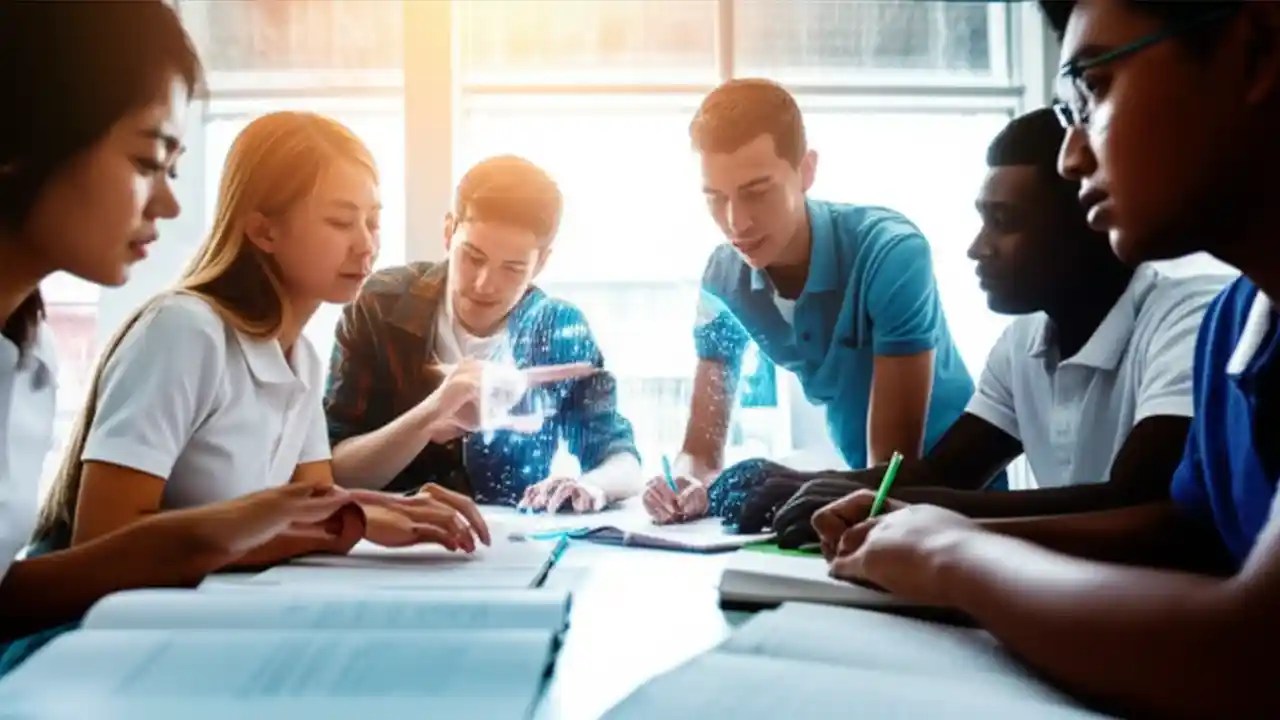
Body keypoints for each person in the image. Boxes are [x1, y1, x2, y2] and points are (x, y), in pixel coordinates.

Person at [812, 2, 1280, 716]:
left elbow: (1251, 651)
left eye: (1095, 89)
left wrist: (954, 556)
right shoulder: (1235, 325)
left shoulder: (1189, 317)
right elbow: (1179, 532)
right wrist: (937, 528)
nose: (1071, 155)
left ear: (1257, 49)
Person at [0, 1, 405, 672]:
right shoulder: (185, 328)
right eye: (144, 161)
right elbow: (101, 545)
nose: (169, 205)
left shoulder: (30, 350)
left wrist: (361, 517)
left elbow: (307, 507)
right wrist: (295, 527)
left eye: (373, 221)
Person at [746, 108, 1226, 544]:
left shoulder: (1187, 318)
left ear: (1088, 226)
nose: (978, 247)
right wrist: (809, 485)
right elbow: (948, 473)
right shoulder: (1022, 342)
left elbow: (1132, 499)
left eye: (1005, 222)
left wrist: (898, 508)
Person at [643, 79, 976, 524]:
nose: (735, 222)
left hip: (960, 502)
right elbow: (701, 452)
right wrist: (685, 483)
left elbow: (895, 469)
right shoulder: (723, 276)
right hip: (855, 500)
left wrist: (788, 483)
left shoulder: (892, 254)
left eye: (756, 192)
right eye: (716, 198)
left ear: (807, 170)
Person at [325, 155, 642, 513]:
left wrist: (590, 486)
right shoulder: (380, 305)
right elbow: (333, 470)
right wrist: (432, 413)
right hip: (386, 545)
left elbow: (622, 459)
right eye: (473, 257)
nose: (485, 284)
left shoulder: (559, 329)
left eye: (513, 268)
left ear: (540, 263)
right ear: (448, 232)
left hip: (507, 550)